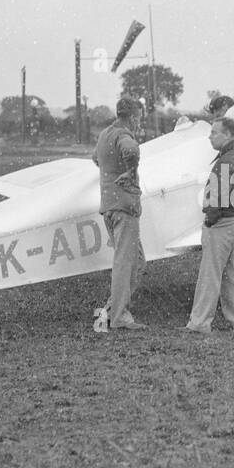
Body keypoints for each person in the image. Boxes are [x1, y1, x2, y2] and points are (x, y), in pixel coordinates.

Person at [185, 117, 234, 333]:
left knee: (210, 274)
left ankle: (200, 322)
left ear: (228, 135)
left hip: (223, 224)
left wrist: (210, 220)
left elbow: (217, 197)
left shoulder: (224, 162)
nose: (210, 136)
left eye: (215, 132)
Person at [92, 98, 146, 330]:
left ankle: (113, 307)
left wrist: (112, 170)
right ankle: (119, 316)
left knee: (138, 261)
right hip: (125, 207)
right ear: (133, 117)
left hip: (109, 205)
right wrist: (130, 170)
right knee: (126, 262)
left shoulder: (105, 134)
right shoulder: (125, 135)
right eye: (139, 118)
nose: (139, 122)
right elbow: (131, 150)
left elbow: (96, 158)